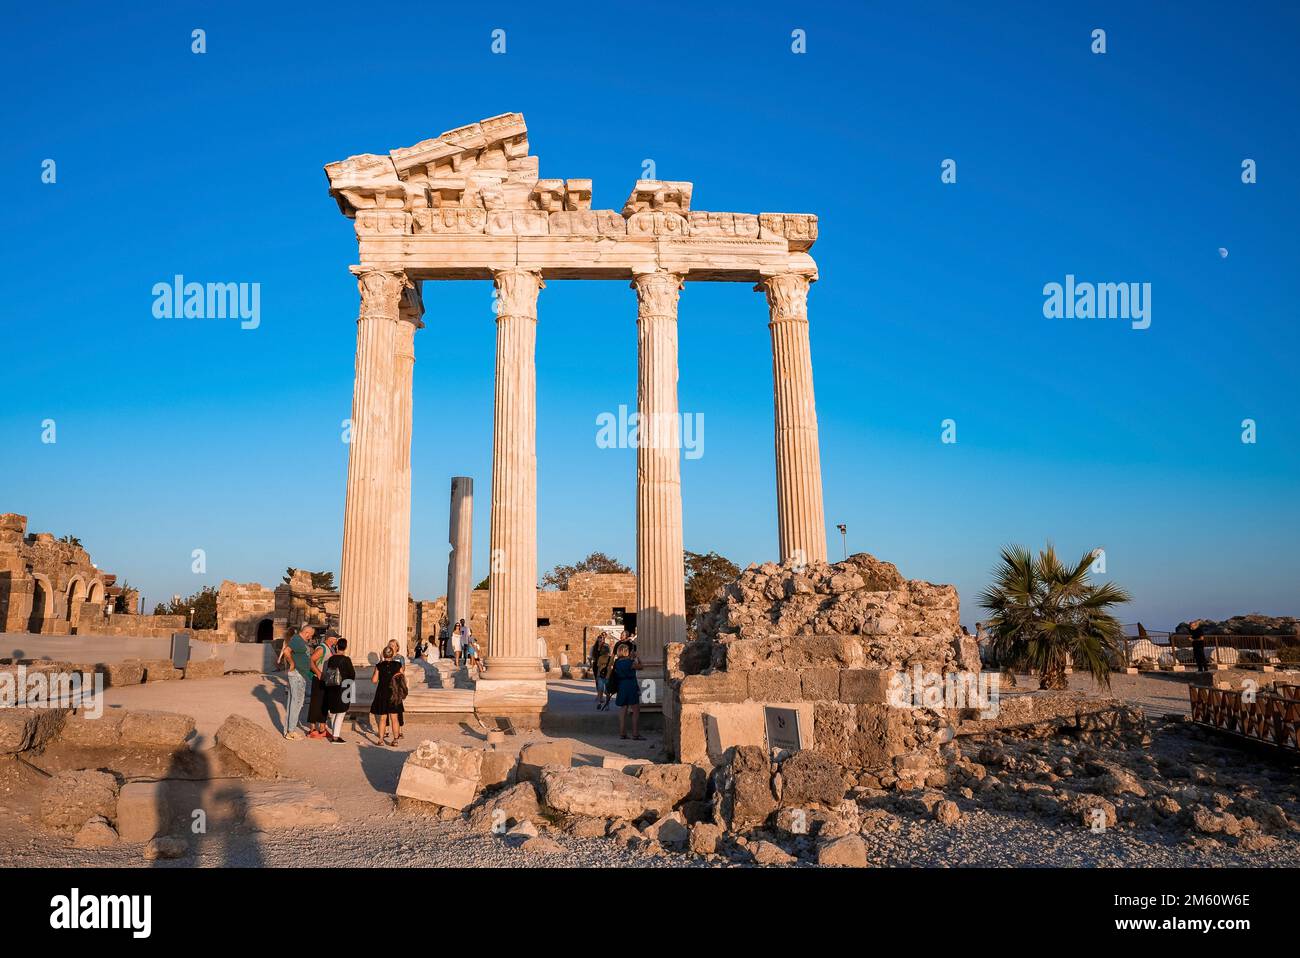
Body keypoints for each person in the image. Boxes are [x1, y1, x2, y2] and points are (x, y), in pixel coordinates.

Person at [276, 624, 315, 740]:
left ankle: (288, 730)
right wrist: (292, 664)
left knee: (293, 703)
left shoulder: (299, 641)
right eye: (310, 636)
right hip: (297, 675)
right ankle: (291, 731)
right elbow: (287, 651)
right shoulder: (297, 639)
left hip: (300, 675)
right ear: (307, 633)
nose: (310, 638)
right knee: (297, 703)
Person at [369, 646, 406, 746]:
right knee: (395, 718)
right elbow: (402, 677)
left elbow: (374, 680)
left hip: (382, 693)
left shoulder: (379, 666)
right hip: (394, 693)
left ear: (383, 654)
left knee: (382, 718)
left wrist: (378, 667)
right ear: (392, 654)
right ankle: (395, 740)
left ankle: (381, 740)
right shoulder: (398, 665)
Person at [323, 637, 356, 743]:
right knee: (341, 712)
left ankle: (334, 733)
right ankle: (335, 737)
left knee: (334, 711)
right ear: (345, 647)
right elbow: (352, 674)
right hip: (343, 687)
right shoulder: (346, 660)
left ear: (336, 646)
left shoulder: (331, 659)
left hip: (331, 687)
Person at [610, 641, 643, 740]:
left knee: (623, 710)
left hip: (621, 686)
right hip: (631, 685)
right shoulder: (630, 662)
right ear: (626, 651)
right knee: (635, 710)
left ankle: (622, 732)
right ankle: (635, 733)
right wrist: (637, 658)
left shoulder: (617, 663)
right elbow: (640, 666)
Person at [306, 633, 331, 738]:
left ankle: (322, 728)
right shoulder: (322, 648)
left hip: (325, 680)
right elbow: (310, 660)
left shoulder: (330, 648)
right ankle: (312, 728)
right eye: (336, 638)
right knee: (315, 703)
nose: (337, 640)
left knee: (324, 703)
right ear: (330, 638)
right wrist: (318, 672)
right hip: (318, 679)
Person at [592, 634, 612, 710]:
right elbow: (599, 667)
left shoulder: (609, 658)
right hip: (602, 676)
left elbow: (611, 667)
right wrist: (597, 676)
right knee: (601, 689)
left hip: (606, 676)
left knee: (606, 691)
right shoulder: (600, 658)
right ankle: (601, 702)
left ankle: (606, 703)